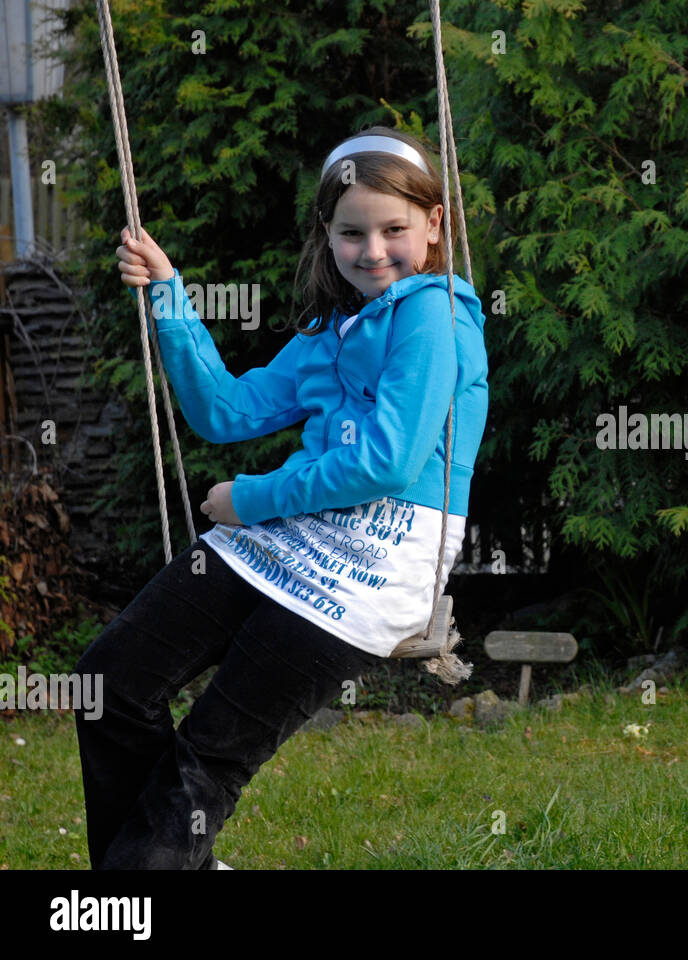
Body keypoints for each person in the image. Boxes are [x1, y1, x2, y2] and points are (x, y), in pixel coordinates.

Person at [74, 125, 489, 869]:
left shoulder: (438, 312)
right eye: (351, 232)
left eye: (395, 229)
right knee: (110, 680)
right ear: (327, 237)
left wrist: (250, 498)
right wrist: (169, 296)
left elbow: (389, 463)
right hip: (287, 535)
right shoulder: (331, 329)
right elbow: (226, 412)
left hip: (375, 558)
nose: (374, 251)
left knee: (200, 768)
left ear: (434, 224)